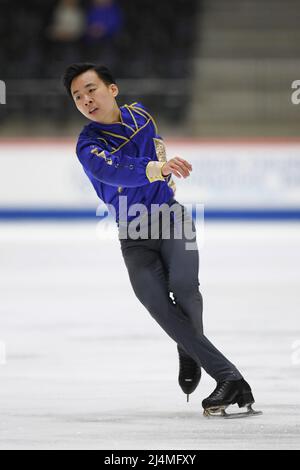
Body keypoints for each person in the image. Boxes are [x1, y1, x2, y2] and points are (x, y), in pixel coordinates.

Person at [62, 62, 261, 418]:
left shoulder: (141, 114)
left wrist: (164, 170)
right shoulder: (87, 144)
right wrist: (157, 170)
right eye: (78, 96)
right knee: (154, 301)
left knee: (185, 288)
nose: (85, 100)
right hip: (133, 234)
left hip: (171, 217)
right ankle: (198, 351)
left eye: (91, 89)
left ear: (112, 89)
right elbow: (112, 169)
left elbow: (156, 147)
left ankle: (220, 372)